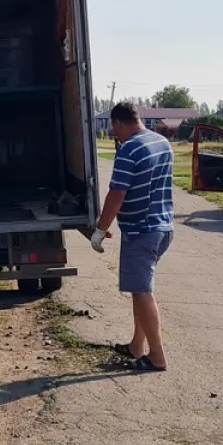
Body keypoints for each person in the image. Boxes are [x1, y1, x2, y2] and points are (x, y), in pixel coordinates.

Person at [90, 102, 174, 372]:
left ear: (117, 123)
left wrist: (101, 229)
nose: (116, 136)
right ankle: (137, 346)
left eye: (114, 130)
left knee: (141, 292)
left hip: (141, 231)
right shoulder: (162, 142)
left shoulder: (129, 149)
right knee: (141, 288)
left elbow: (117, 193)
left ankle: (157, 357)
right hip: (163, 228)